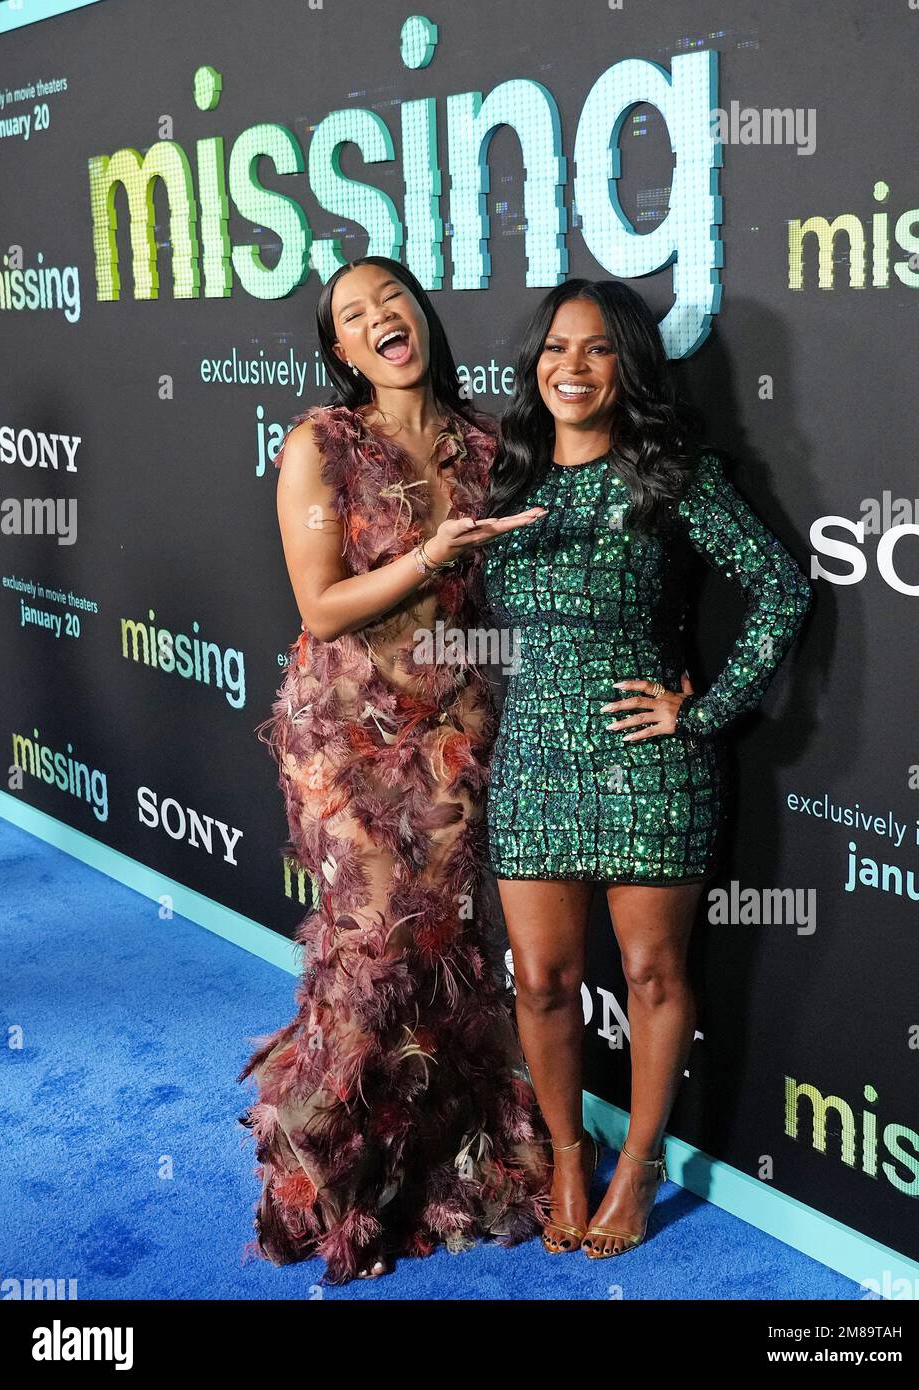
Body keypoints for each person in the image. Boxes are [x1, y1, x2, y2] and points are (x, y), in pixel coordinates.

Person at [478, 279, 814, 1259]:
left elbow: (780, 587)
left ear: (627, 366)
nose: (570, 368)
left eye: (594, 350)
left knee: (654, 971)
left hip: (646, 764)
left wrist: (704, 709)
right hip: (536, 752)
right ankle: (570, 1153)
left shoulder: (670, 475)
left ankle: (639, 1167)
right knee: (541, 979)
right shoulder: (511, 478)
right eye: (555, 348)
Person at [237, 256, 550, 1285]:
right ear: (340, 349)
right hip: (346, 740)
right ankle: (327, 1187)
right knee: (369, 955)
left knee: (443, 953)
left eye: (393, 301)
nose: (381, 321)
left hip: (455, 730)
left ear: (421, 313)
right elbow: (320, 606)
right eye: (354, 316)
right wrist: (429, 555)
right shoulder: (322, 444)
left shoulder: (483, 444)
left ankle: (442, 1174)